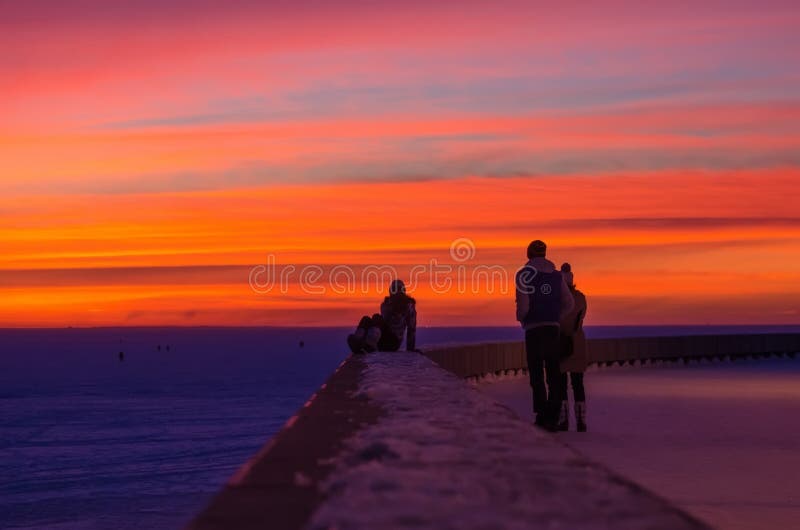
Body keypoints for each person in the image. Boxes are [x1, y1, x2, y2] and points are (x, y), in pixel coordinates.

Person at [515, 240, 574, 431]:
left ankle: (541, 414)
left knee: (537, 374)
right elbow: (569, 303)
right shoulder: (557, 277)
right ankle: (554, 415)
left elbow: (523, 305)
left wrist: (522, 318)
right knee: (553, 373)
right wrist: (556, 317)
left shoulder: (524, 274)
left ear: (529, 254)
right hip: (552, 329)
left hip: (533, 329)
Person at [557, 263, 589, 432]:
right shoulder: (581, 298)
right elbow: (582, 316)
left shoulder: (557, 300)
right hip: (577, 343)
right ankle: (581, 420)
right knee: (578, 384)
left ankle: (563, 420)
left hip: (560, 343)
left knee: (561, 384)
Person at [347, 279, 417, 353]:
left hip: (393, 343)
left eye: (398, 289)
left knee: (376, 317)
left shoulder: (409, 307)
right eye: (395, 290)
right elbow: (384, 323)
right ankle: (358, 341)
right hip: (383, 340)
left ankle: (369, 345)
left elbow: (411, 329)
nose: (397, 292)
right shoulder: (387, 305)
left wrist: (410, 349)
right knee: (366, 319)